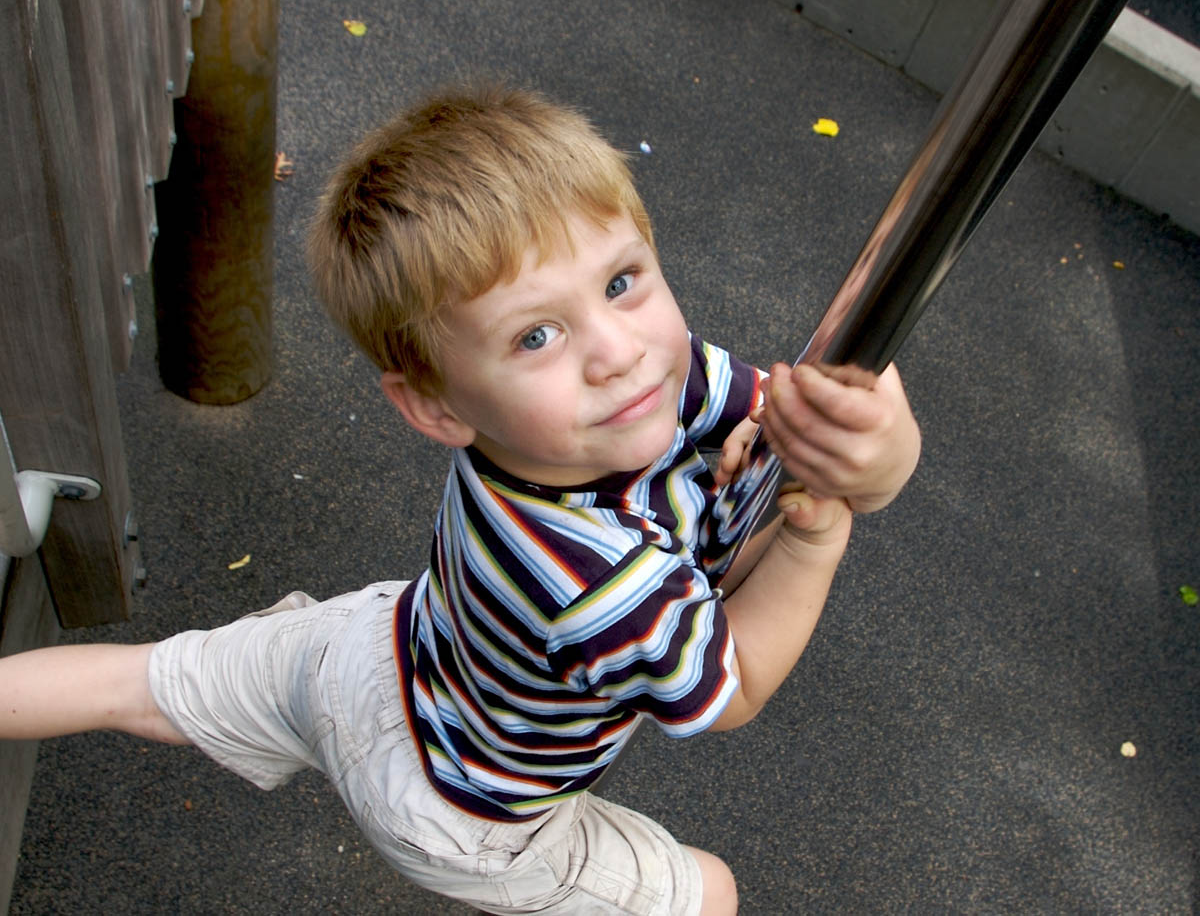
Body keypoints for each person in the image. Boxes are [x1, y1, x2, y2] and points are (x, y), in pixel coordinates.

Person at [0, 83, 920, 914]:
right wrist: (813, 543)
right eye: (536, 337)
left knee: (144, 683)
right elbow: (736, 685)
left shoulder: (636, 388)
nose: (616, 349)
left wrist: (874, 454)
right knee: (705, 893)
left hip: (363, 657)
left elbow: (778, 415)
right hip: (470, 818)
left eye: (621, 281)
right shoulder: (581, 572)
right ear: (435, 405)